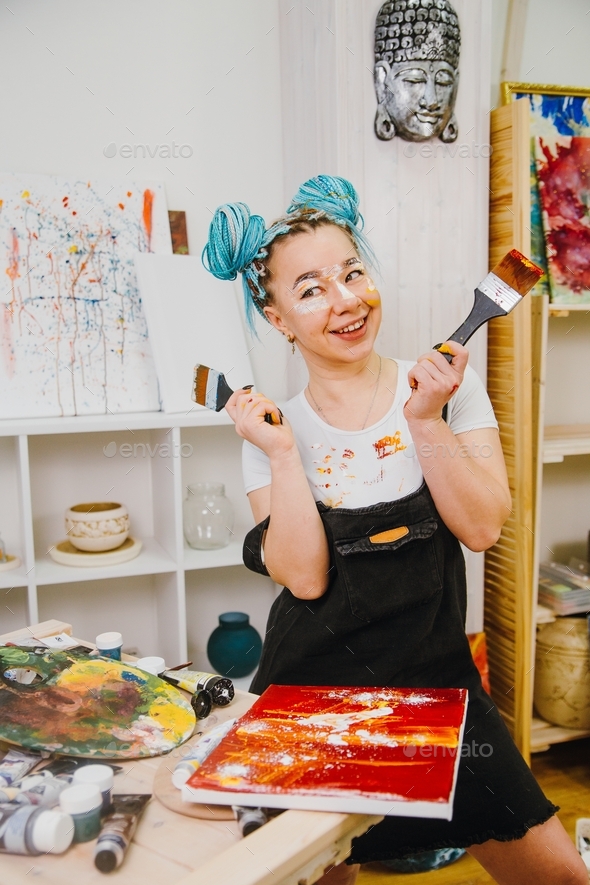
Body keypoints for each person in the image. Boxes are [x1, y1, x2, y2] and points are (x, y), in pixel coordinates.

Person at [202, 175, 586, 885]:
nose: (346, 299)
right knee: (320, 876)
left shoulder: (445, 386)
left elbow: (480, 526)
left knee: (561, 875)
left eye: (352, 272)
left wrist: (425, 420)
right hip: (313, 695)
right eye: (311, 288)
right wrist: (284, 454)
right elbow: (306, 576)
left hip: (439, 689)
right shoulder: (269, 431)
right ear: (279, 317)